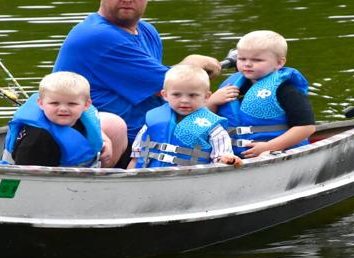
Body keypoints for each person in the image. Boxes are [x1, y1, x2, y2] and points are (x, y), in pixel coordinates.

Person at [52, 1, 172, 163]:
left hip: (148, 134)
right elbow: (171, 87)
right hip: (113, 143)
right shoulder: (98, 35)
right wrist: (196, 62)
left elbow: (166, 85)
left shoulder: (147, 31)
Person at [210, 30, 316, 159]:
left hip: (275, 152)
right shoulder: (232, 86)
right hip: (232, 154)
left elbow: (306, 128)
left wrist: (269, 146)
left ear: (279, 63)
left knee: (267, 155)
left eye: (257, 60)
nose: (247, 64)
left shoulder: (287, 90)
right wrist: (212, 102)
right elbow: (207, 121)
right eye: (242, 59)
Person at [134, 65, 241, 168]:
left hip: (192, 177)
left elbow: (222, 158)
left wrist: (226, 159)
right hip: (151, 175)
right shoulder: (153, 120)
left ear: (206, 97)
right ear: (165, 95)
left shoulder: (214, 129)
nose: (184, 100)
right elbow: (136, 155)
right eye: (176, 94)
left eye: (192, 95)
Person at [0, 72, 112, 168]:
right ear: (40, 103)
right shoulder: (38, 137)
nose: (63, 109)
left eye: (72, 104)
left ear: (86, 105)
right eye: (54, 103)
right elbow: (27, 178)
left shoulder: (82, 120)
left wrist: (105, 142)